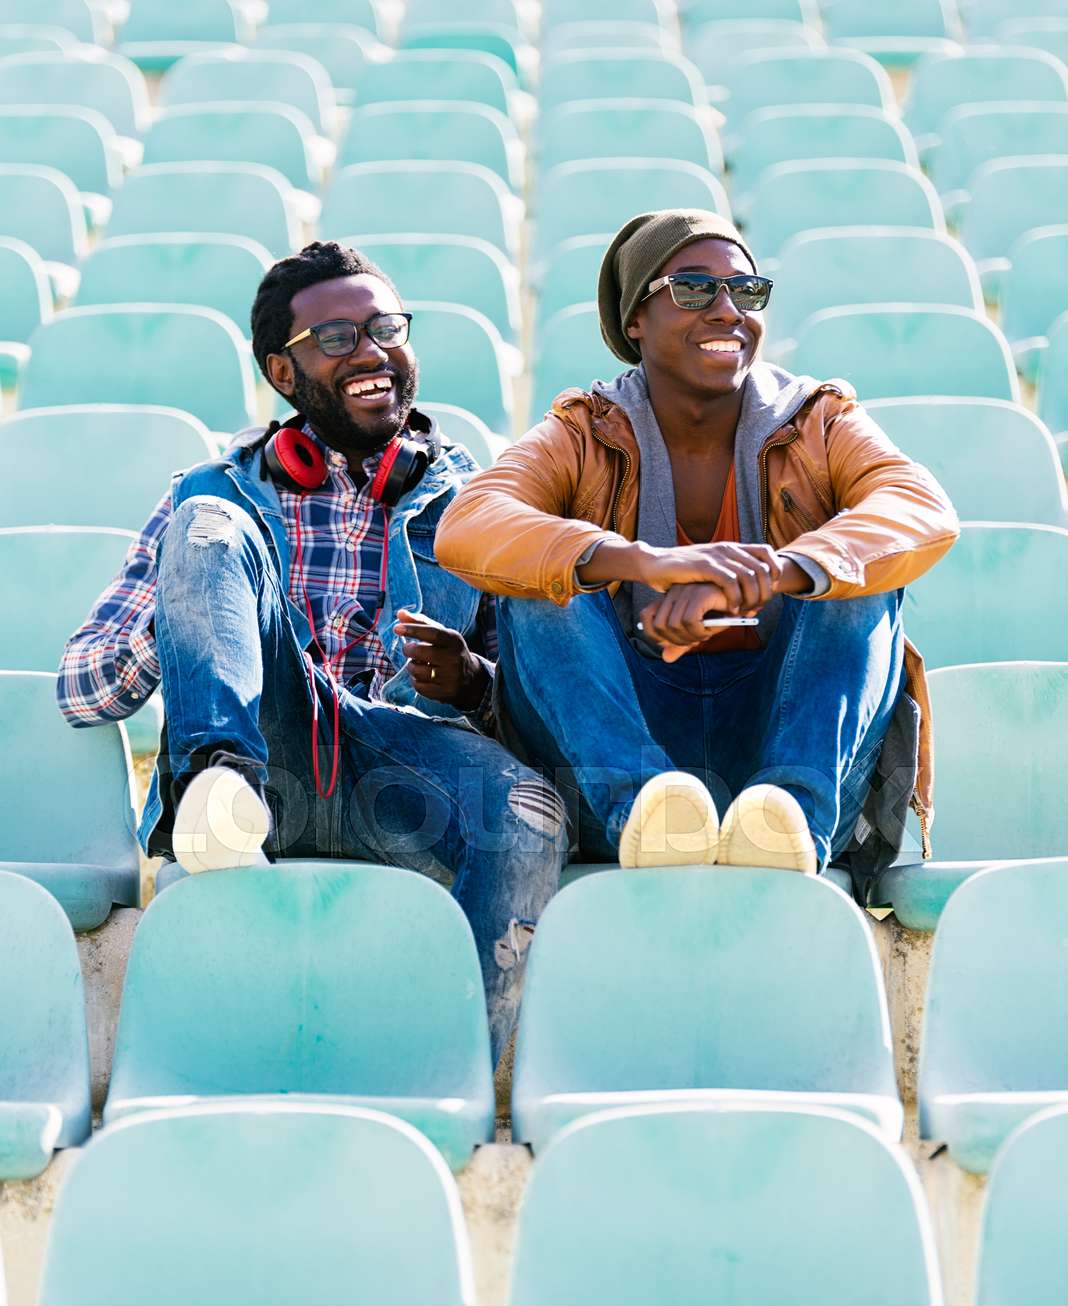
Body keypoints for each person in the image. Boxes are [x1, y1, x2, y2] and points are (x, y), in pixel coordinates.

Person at [57, 240, 566, 1062]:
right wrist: (198, 617)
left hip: (406, 774)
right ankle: (219, 781)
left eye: (386, 328)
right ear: (283, 374)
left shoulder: (478, 501)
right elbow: (83, 689)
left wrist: (474, 683)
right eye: (337, 339)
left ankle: (445, 1071)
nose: (372, 353)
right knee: (208, 527)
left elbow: (542, 703)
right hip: (266, 765)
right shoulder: (212, 498)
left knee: (531, 819)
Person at [435, 209, 959, 893]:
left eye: (746, 292)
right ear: (635, 321)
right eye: (692, 289)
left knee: (854, 576)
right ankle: (650, 807)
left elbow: (920, 507)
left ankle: (789, 816)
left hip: (785, 756)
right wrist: (640, 561)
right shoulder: (584, 431)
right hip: (612, 772)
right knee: (546, 582)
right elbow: (471, 520)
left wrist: (782, 569)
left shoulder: (818, 421)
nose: (726, 310)